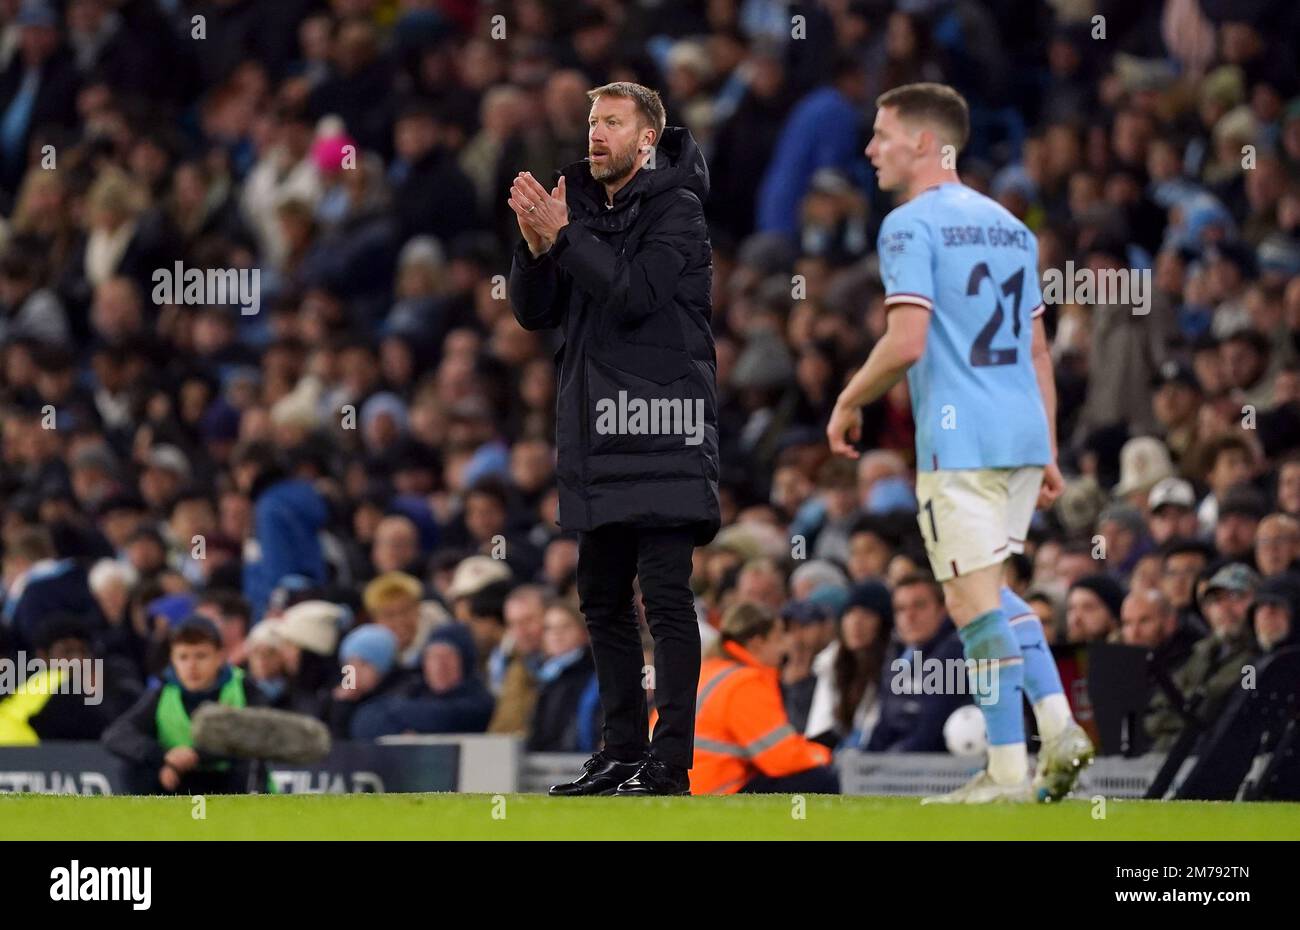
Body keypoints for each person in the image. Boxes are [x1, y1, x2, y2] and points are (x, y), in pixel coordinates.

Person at [827, 82, 1091, 803]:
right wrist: (1051, 446)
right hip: (1020, 435)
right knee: (989, 593)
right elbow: (1039, 350)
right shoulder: (1013, 227)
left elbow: (907, 341)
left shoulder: (909, 225)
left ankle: (1016, 765)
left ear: (922, 142)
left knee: (972, 610)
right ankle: (1045, 740)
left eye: (882, 135)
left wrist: (850, 396)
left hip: (960, 441)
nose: (870, 149)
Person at [508, 81, 719, 796]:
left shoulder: (679, 209)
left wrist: (566, 238)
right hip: (597, 437)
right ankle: (622, 750)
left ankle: (671, 760)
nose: (595, 134)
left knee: (664, 597)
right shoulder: (582, 211)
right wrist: (537, 248)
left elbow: (635, 296)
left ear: (647, 139)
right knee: (599, 597)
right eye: (592, 122)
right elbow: (535, 316)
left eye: (613, 123)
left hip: (663, 429)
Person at [102, 614, 263, 794]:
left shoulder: (243, 687)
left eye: (201, 656)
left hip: (230, 781)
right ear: (172, 659)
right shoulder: (163, 691)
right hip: (180, 780)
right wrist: (164, 757)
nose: (192, 666)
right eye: (183, 657)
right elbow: (116, 735)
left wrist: (195, 756)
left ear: (220, 657)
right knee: (132, 767)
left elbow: (259, 734)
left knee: (249, 761)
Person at [690, 602, 836, 794]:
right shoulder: (745, 682)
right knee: (820, 779)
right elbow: (781, 757)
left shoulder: (710, 671)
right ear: (757, 643)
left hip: (687, 783)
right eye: (778, 638)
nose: (784, 647)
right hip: (715, 787)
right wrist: (824, 755)